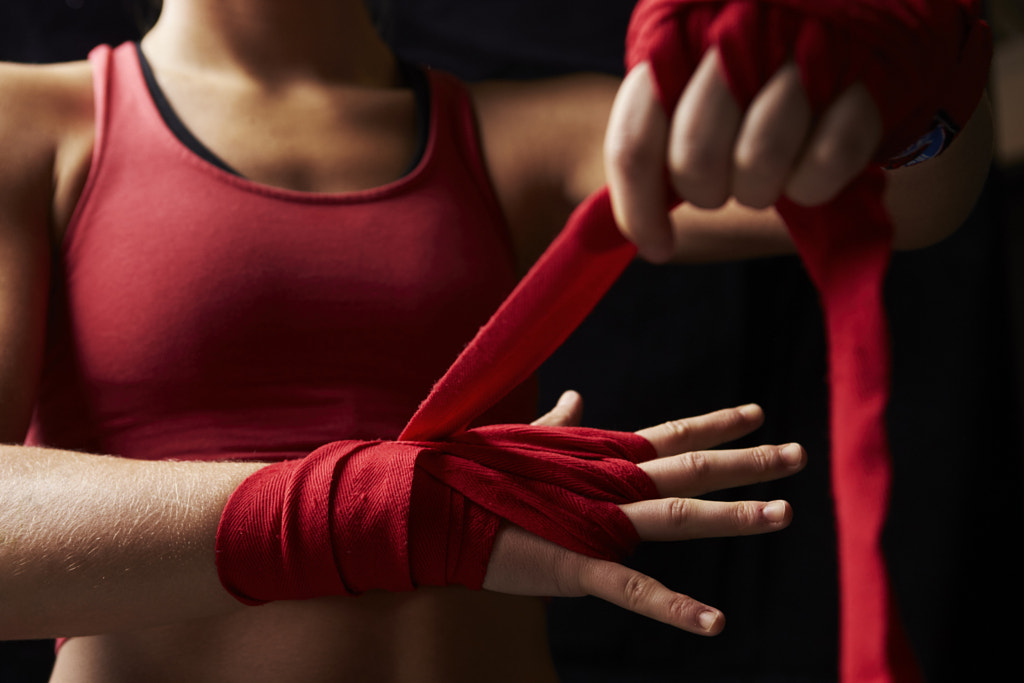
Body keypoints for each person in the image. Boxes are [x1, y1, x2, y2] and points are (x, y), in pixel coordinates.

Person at [0, 1, 992, 682]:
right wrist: (391, 509)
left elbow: (913, 195)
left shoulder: (525, 135)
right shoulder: (30, 120)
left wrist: (900, 52)